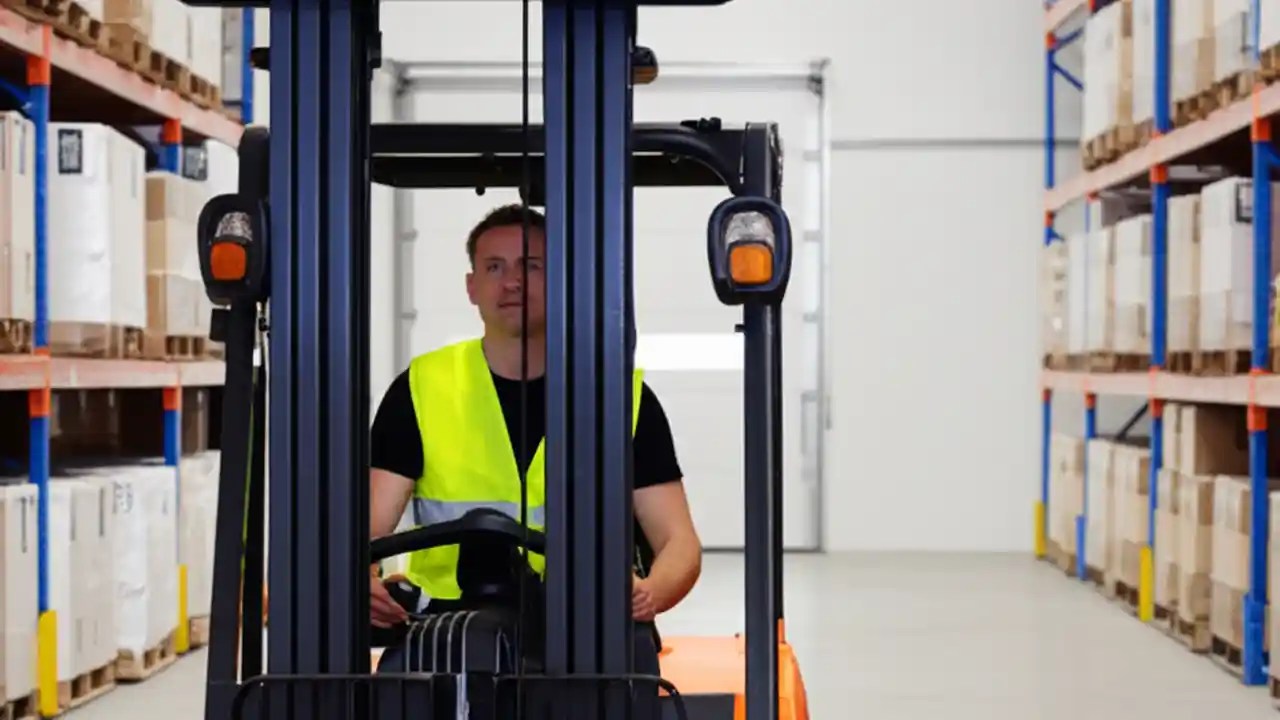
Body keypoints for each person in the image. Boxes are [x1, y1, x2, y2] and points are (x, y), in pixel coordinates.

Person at [367, 203, 703, 671]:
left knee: (625, 661)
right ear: (472, 287)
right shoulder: (423, 388)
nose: (512, 282)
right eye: (494, 267)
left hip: (583, 619)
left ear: (563, 279)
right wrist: (362, 581)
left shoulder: (617, 396)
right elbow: (367, 529)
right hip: (450, 620)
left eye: (532, 266)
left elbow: (679, 543)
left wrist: (648, 594)